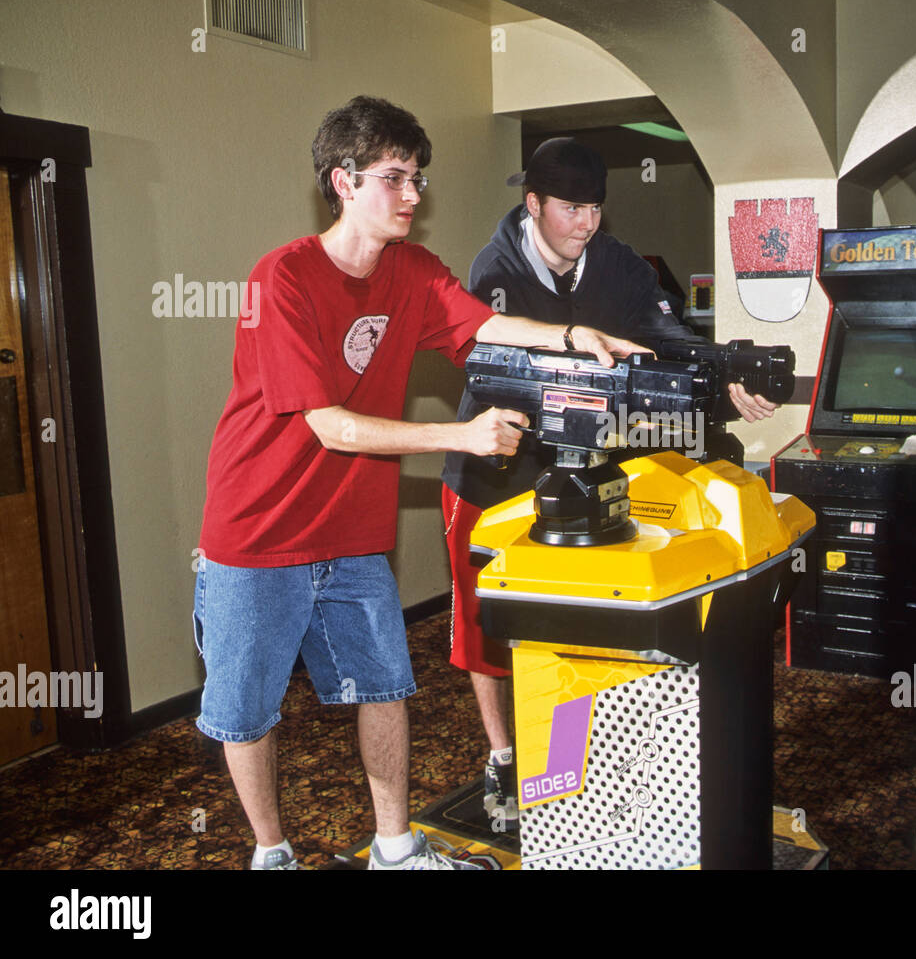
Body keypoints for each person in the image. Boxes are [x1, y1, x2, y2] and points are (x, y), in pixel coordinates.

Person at [194, 100, 643, 870]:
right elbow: (331, 426)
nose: (412, 195)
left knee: (386, 688)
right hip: (256, 531)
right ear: (344, 181)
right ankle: (272, 853)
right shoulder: (285, 276)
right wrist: (459, 435)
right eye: (394, 178)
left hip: (351, 529)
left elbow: (481, 326)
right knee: (249, 714)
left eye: (417, 178)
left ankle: (396, 850)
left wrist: (573, 335)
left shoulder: (413, 271)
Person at [440, 137, 778, 828]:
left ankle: (575, 753)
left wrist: (724, 371)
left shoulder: (617, 264)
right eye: (571, 208)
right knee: (489, 627)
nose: (586, 222)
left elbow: (667, 333)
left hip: (578, 459)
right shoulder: (495, 269)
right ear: (533, 204)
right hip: (493, 466)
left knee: (573, 618)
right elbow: (491, 356)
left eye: (595, 207)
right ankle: (504, 757)